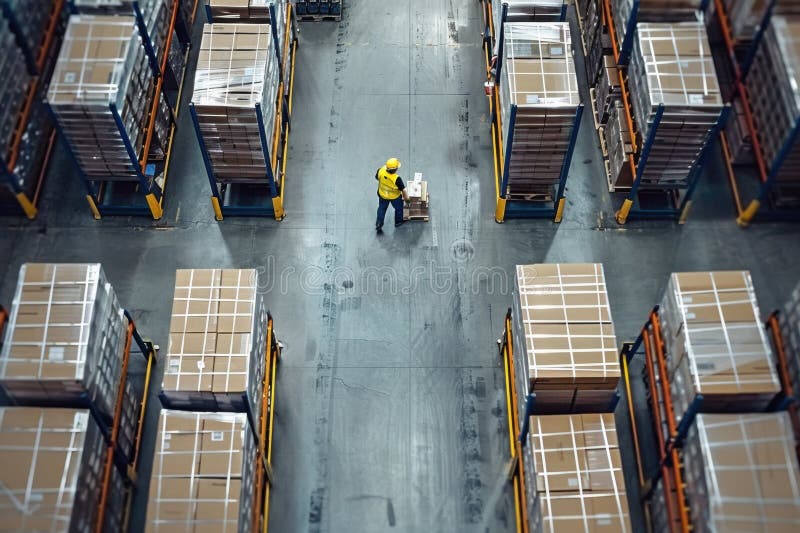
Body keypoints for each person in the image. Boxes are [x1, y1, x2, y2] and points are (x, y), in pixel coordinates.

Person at [375, 157, 410, 231]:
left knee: (381, 209)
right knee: (399, 208)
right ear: (395, 169)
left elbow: (377, 177)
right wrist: (407, 200)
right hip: (394, 197)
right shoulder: (397, 179)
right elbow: (403, 190)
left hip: (382, 195)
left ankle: (379, 223)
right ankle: (398, 221)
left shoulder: (380, 170)